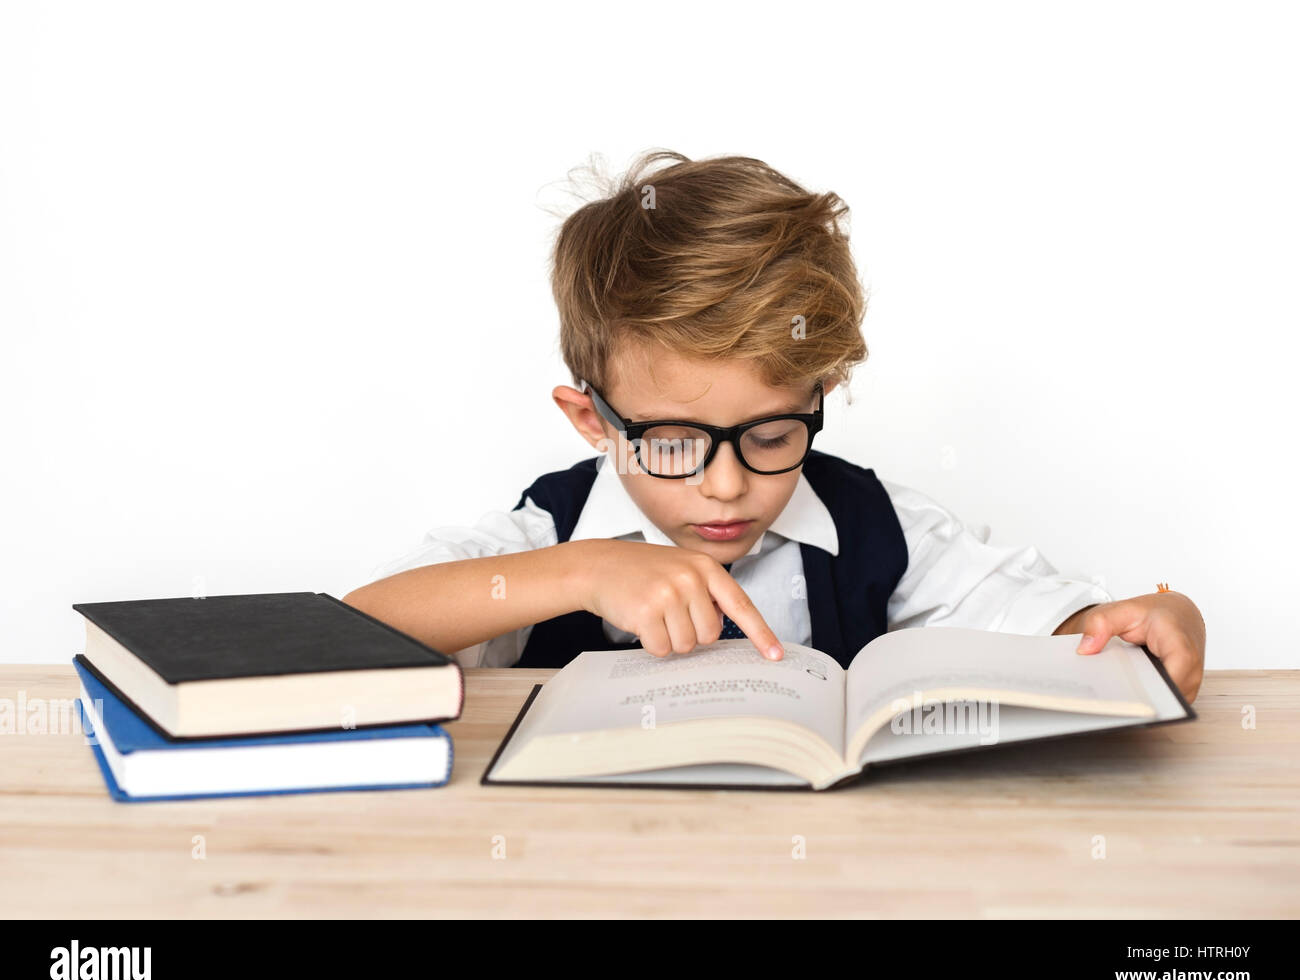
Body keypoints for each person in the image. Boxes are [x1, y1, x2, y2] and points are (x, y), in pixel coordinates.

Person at [343, 150, 1205, 702]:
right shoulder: (552, 535)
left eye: (769, 437)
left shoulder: (879, 529)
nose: (726, 485)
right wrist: (578, 572)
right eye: (674, 443)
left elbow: (1044, 615)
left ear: (820, 394)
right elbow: (357, 628)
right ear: (591, 421)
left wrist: (1141, 619)